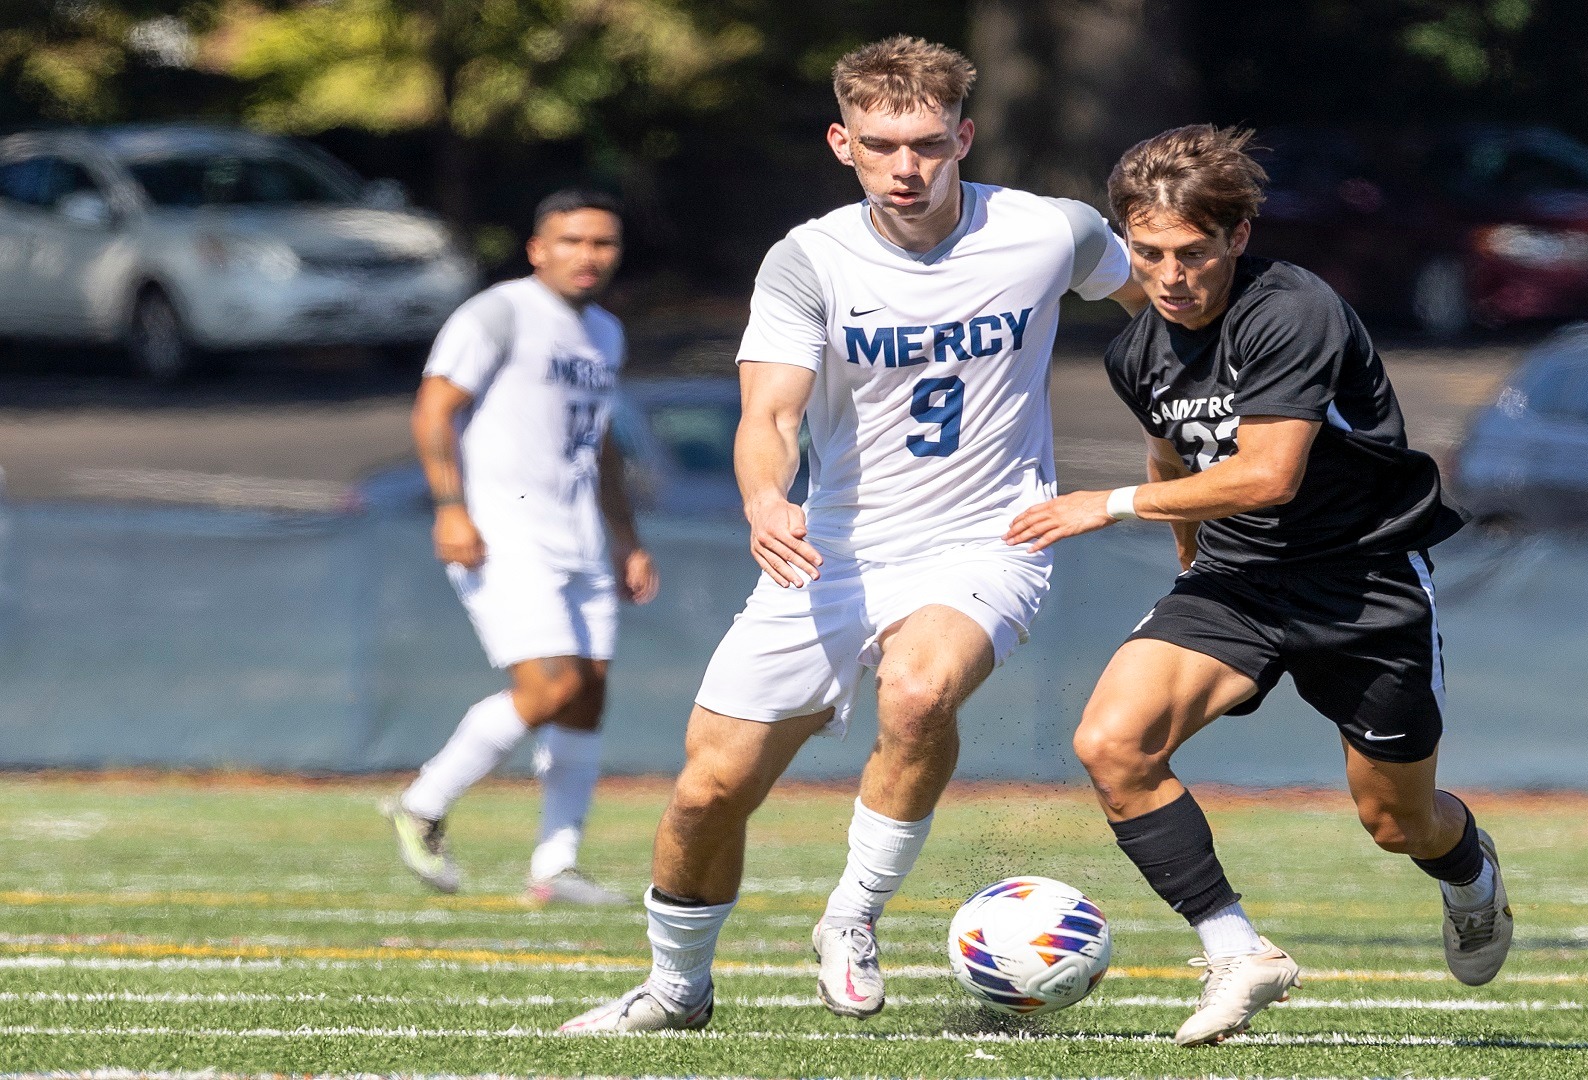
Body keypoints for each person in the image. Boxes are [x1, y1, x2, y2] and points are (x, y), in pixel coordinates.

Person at [559, 36, 1142, 1034]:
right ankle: (675, 990)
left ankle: (852, 918)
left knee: (916, 692)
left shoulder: (1052, 232)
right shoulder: (811, 259)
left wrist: (1202, 423)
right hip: (831, 547)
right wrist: (763, 499)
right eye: (880, 145)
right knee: (707, 793)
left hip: (989, 536)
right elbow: (769, 414)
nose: (904, 167)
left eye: (925, 143)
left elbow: (1159, 305)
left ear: (965, 136)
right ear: (842, 142)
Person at [1004, 125, 1511, 1046]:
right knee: (1113, 744)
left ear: (1237, 238)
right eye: (1148, 254)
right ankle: (1240, 952)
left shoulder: (1292, 309)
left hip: (1363, 584)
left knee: (1396, 822)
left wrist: (1109, 505)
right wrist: (1192, 575)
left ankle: (1471, 877)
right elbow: (1172, 451)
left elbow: (1268, 473)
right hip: (1240, 580)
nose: (1170, 276)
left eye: (1193, 253)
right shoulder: (1136, 352)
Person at [381, 189, 659, 907]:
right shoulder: (498, 312)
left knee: (586, 697)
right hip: (503, 531)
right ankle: (423, 802)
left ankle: (555, 865)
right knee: (551, 687)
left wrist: (627, 539)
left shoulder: (604, 332)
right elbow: (435, 408)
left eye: (602, 243)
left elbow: (599, 449)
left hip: (581, 538)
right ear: (538, 248)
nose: (588, 255)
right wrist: (450, 507)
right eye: (572, 241)